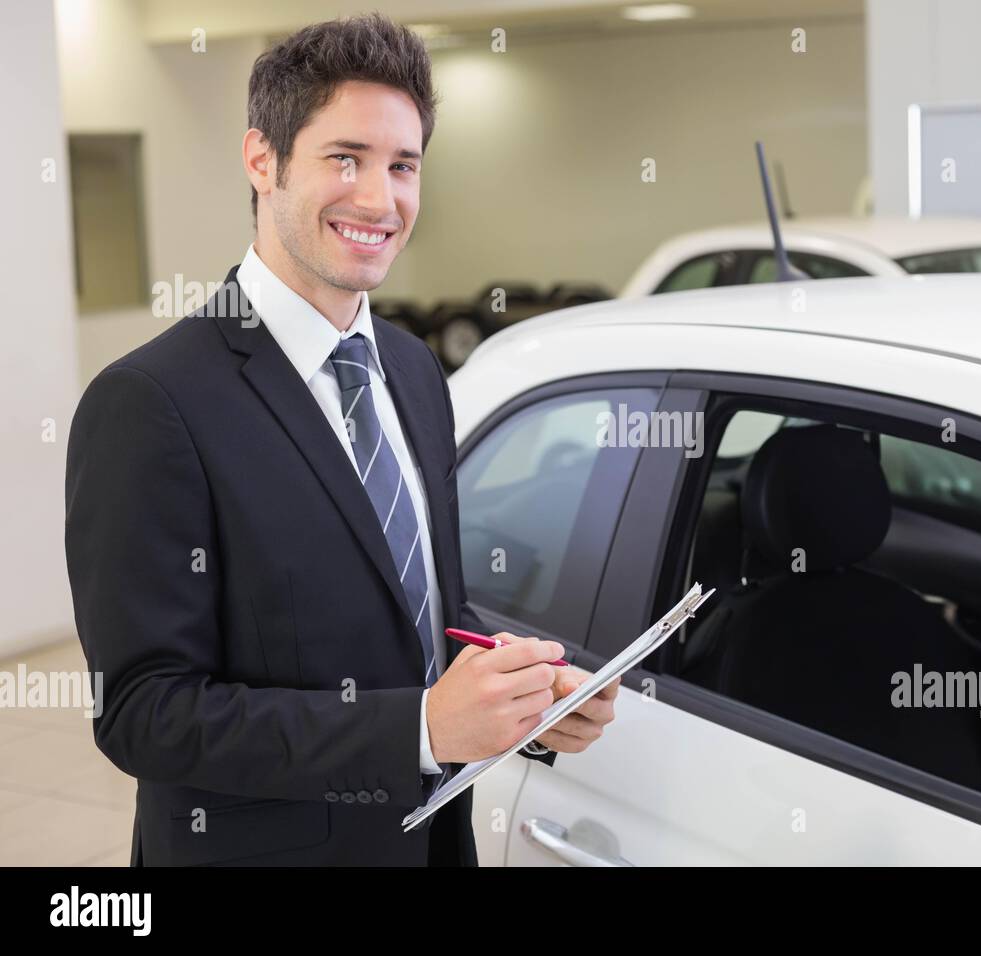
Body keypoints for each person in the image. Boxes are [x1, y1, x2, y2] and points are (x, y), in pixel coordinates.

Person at [63, 13, 618, 867]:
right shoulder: (151, 403)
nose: (379, 199)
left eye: (403, 166)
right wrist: (417, 729)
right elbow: (144, 711)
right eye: (344, 158)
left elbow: (421, 613)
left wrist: (525, 697)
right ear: (262, 159)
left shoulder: (413, 369)